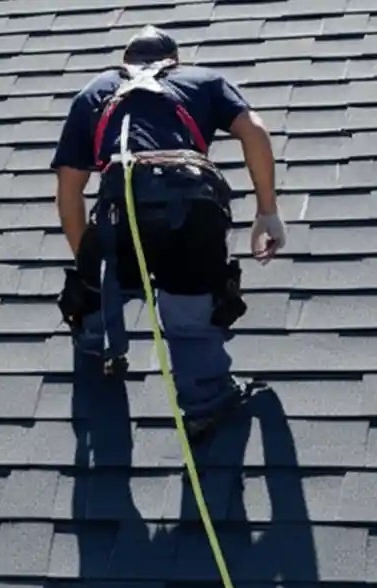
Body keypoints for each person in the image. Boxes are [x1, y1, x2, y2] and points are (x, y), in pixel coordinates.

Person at [52, 25, 287, 441]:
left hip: (121, 208)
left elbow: (70, 191)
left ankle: (97, 341)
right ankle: (203, 404)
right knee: (190, 315)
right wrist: (267, 211)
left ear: (125, 60)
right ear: (173, 61)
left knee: (101, 274)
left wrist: (90, 266)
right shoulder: (202, 80)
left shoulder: (95, 91)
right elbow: (253, 130)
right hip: (194, 208)